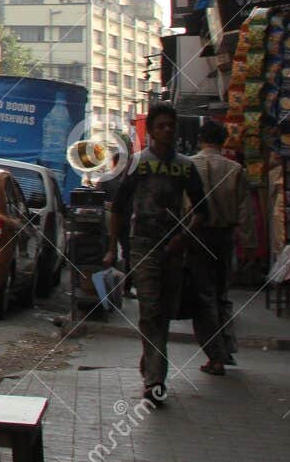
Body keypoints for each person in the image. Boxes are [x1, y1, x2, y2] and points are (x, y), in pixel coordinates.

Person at [104, 103, 211, 404]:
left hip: (173, 248)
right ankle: (155, 380)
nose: (167, 131)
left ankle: (150, 362)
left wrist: (183, 237)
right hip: (143, 244)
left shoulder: (185, 167)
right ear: (150, 130)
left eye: (171, 125)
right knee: (150, 308)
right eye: (161, 126)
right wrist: (113, 247)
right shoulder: (139, 164)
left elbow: (203, 211)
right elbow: (120, 208)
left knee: (163, 312)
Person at [189, 120, 248, 371]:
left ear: (201, 138)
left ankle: (215, 354)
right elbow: (244, 213)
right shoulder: (235, 169)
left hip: (197, 236)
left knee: (204, 296)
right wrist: (247, 246)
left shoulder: (189, 165)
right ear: (223, 142)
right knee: (222, 295)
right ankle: (225, 350)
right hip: (225, 237)